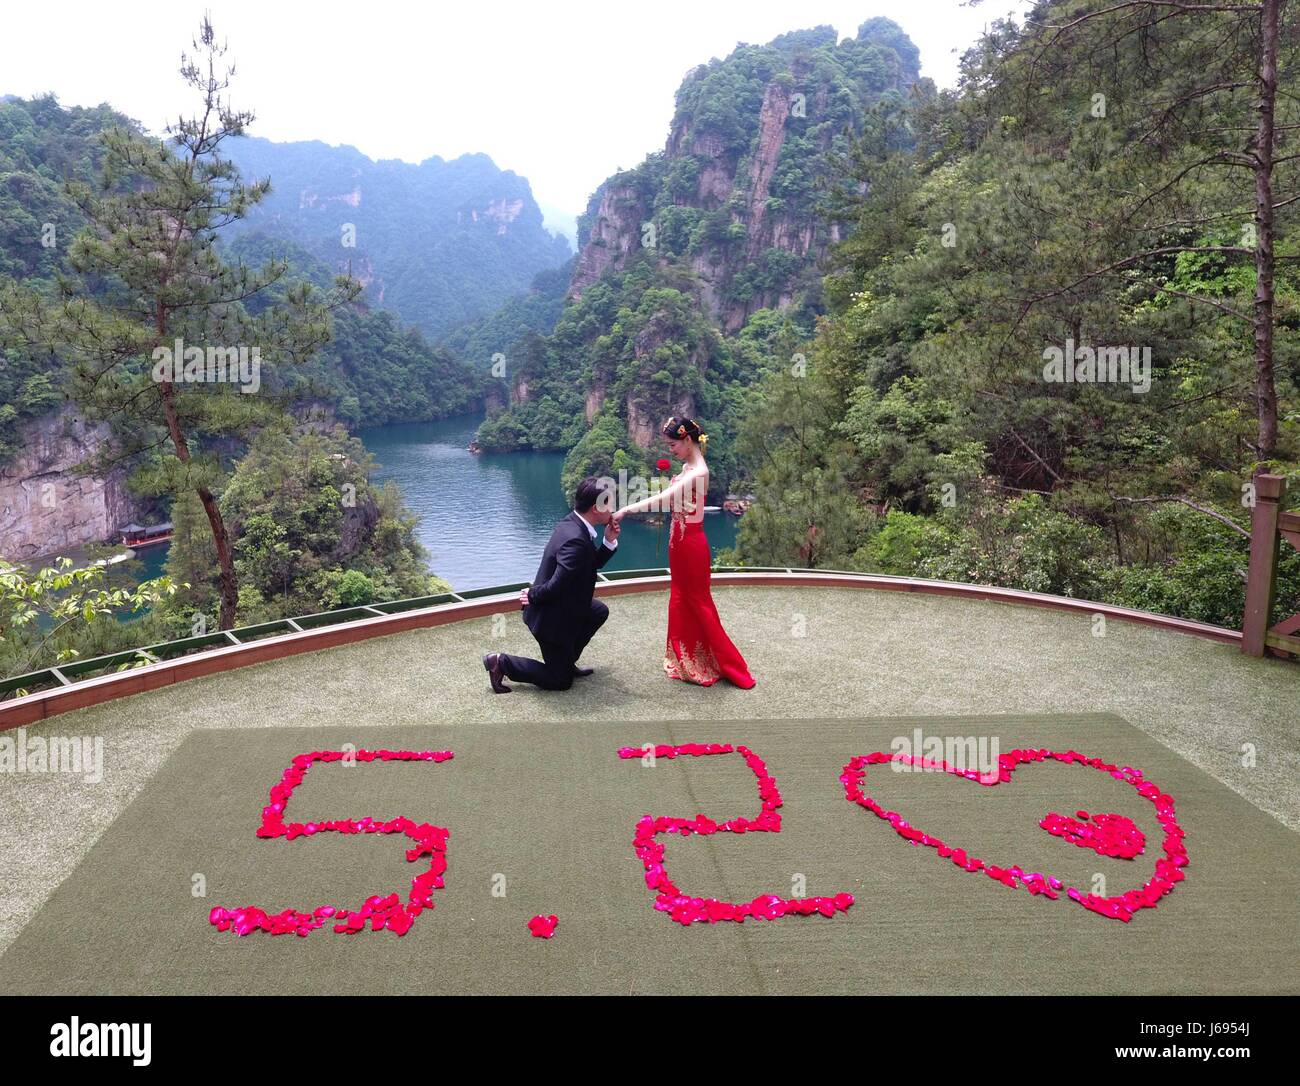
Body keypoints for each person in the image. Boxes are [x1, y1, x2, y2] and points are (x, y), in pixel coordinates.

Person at [612, 416, 756, 688]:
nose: (670, 450)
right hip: (678, 541)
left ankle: (725, 663)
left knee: (697, 602)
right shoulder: (688, 464)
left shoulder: (699, 472)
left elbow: (668, 499)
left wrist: (628, 509)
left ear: (688, 440)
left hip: (690, 544)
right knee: (680, 599)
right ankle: (685, 657)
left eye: (672, 444)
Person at [483, 476, 621, 693]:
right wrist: (531, 594)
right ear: (596, 508)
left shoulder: (572, 522)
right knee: (561, 681)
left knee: (597, 611)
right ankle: (500, 662)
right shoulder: (576, 538)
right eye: (610, 504)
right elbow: (557, 585)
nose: (613, 509)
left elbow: (586, 565)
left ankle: (566, 661)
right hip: (550, 620)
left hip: (565, 606)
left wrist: (608, 542)